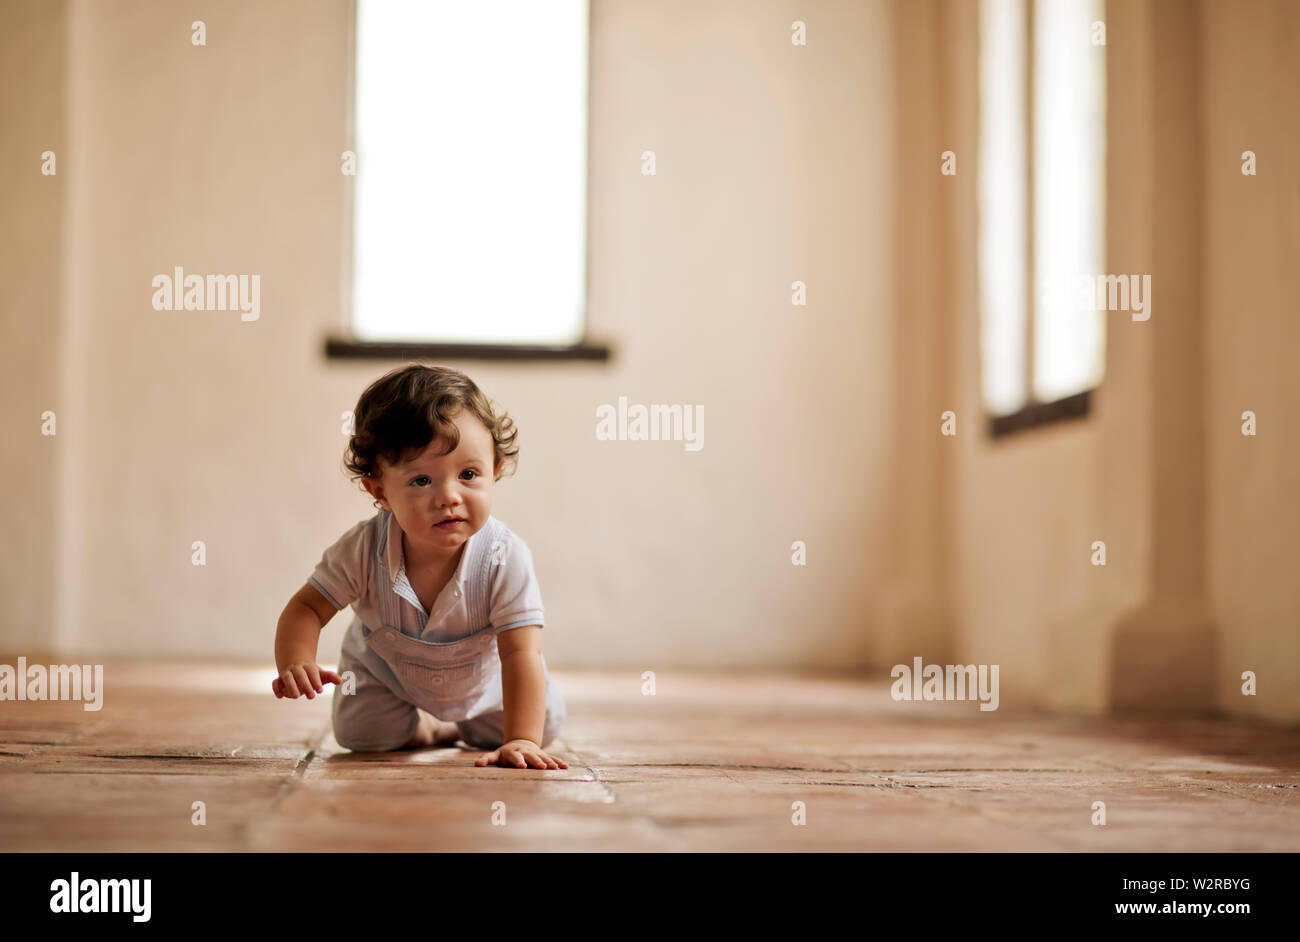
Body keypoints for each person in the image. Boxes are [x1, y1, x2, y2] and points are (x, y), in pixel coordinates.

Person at [272, 364, 567, 770]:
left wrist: (520, 739)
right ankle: (425, 730)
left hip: (488, 684)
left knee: (543, 724)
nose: (448, 496)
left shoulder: (504, 556)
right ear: (380, 491)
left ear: (495, 471)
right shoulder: (363, 549)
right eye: (421, 481)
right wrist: (296, 659)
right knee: (361, 735)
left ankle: (467, 726)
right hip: (386, 677)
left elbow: (520, 653)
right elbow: (307, 607)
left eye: (468, 474)